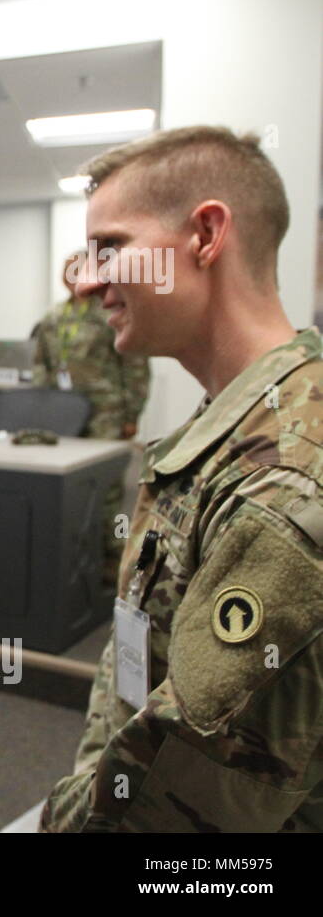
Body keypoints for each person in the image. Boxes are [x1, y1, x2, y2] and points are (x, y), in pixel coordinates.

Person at [41, 125, 323, 832]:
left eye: (111, 249)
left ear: (204, 235)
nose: (87, 281)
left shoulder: (285, 480)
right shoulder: (238, 424)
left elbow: (171, 807)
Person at [32, 249, 152, 585]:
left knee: (107, 490)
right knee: (68, 487)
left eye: (78, 271)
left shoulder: (109, 311)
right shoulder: (54, 317)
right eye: (66, 272)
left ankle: (113, 561)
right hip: (63, 414)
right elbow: (40, 362)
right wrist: (41, 404)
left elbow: (135, 365)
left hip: (106, 411)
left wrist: (132, 413)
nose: (72, 278)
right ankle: (73, 561)